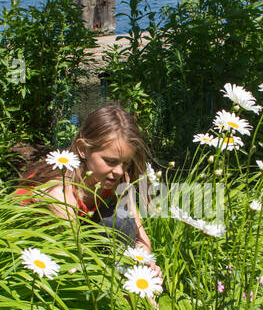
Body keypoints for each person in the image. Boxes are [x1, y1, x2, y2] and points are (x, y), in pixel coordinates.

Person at [12, 103, 158, 267]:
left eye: (126, 163)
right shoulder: (58, 192)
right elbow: (74, 257)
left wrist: (144, 265)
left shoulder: (119, 178)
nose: (118, 171)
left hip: (74, 245)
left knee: (121, 220)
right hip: (27, 253)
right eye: (110, 161)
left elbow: (141, 237)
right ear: (82, 149)